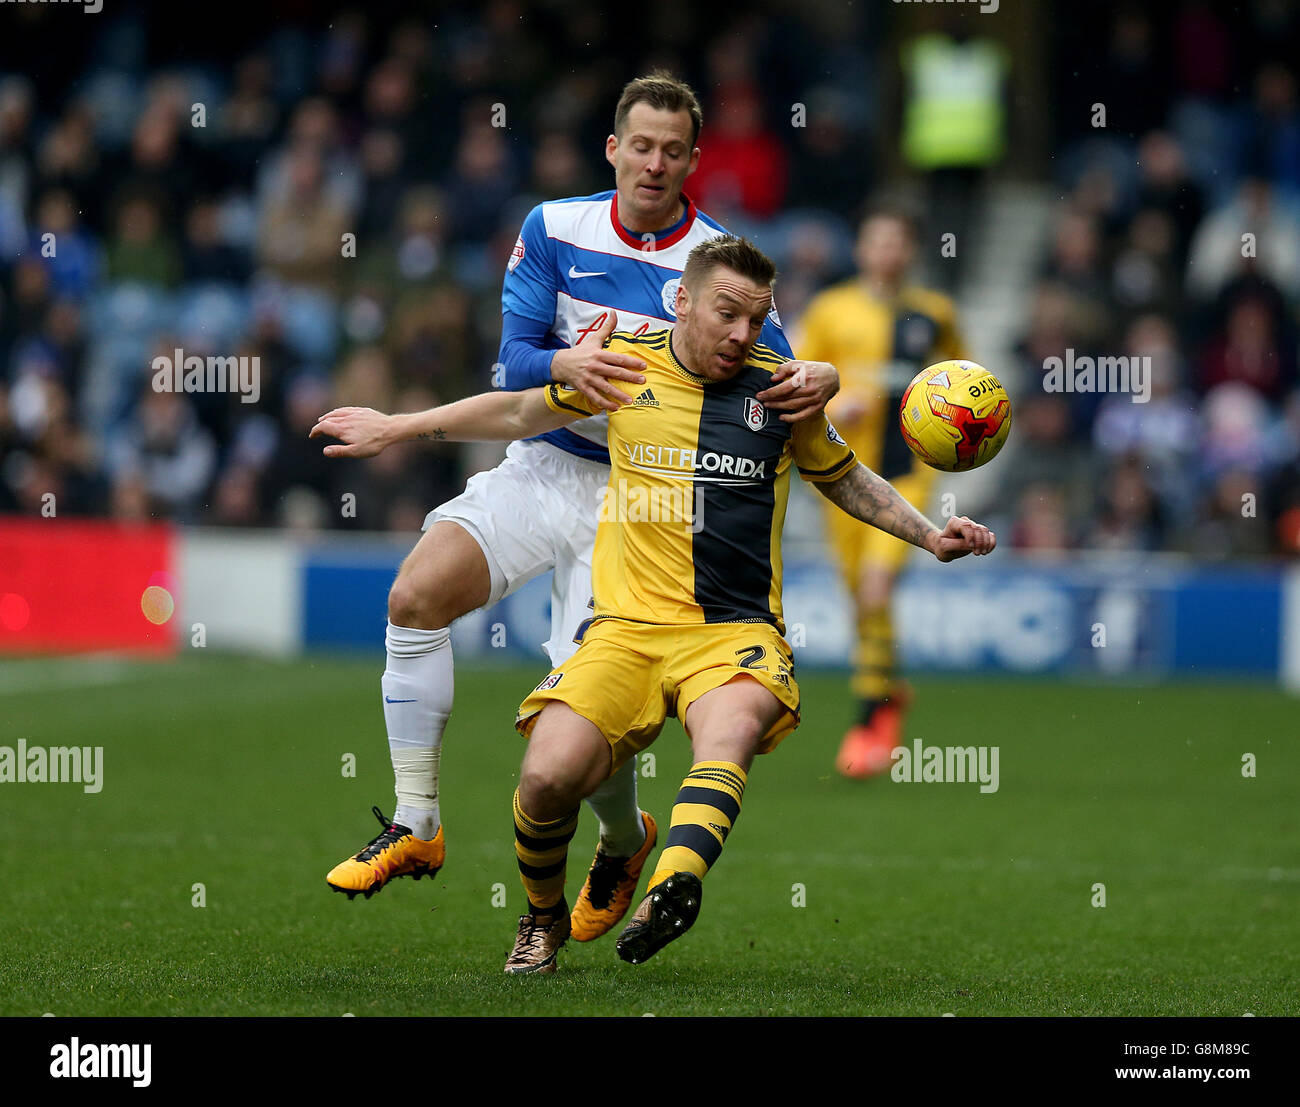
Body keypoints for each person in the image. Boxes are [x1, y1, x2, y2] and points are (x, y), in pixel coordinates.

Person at [311, 236, 995, 973]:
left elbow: (844, 476)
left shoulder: (782, 388)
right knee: (545, 777)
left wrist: (930, 535)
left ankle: (672, 887)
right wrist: (396, 427)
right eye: (727, 313)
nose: (742, 333)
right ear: (683, 302)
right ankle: (542, 919)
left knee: (729, 727)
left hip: (733, 632)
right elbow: (515, 412)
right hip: (625, 630)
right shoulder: (623, 366)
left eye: (757, 317)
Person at [323, 72, 841, 948]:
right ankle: (417, 823)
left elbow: (778, 387)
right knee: (414, 596)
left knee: (590, 717)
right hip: (546, 456)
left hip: (642, 498)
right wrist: (561, 368)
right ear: (614, 148)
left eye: (673, 151)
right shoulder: (553, 227)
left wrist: (824, 375)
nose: (654, 163)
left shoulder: (717, 259)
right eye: (640, 145)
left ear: (692, 161)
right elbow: (515, 365)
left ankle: (621, 838)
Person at [795, 202, 967, 779]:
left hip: (907, 472)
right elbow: (793, 371)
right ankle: (889, 692)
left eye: (897, 242)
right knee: (861, 598)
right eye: (877, 241)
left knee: (874, 588)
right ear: (862, 250)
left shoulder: (933, 314)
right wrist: (835, 402)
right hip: (842, 474)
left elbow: (966, 382)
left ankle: (869, 716)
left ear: (910, 251)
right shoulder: (830, 309)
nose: (886, 252)